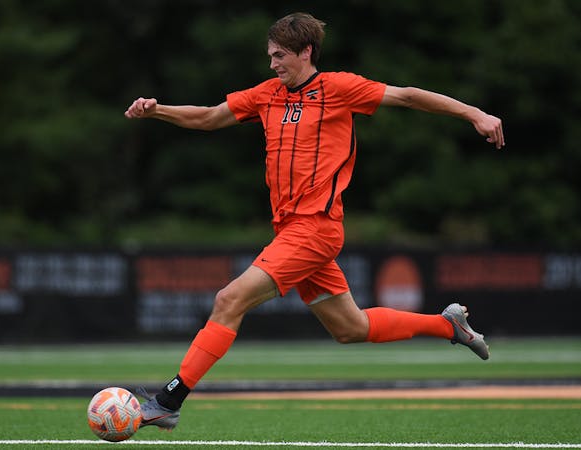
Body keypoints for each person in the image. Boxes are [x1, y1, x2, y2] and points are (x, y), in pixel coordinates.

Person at [124, 12, 504, 431]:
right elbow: (209, 117)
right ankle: (447, 325)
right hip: (291, 231)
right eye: (270, 56)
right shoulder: (267, 94)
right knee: (350, 328)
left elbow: (409, 96)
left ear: (306, 52)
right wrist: (157, 110)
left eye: (280, 55)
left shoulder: (339, 88)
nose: (273, 64)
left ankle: (167, 401)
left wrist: (475, 114)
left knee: (228, 300)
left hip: (316, 229)